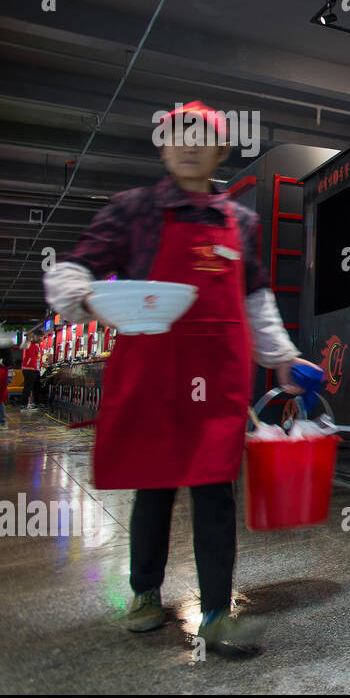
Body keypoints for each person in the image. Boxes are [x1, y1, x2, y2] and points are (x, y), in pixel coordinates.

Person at [43, 101, 322, 655]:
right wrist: (83, 299)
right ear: (164, 145)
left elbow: (256, 299)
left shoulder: (240, 221)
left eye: (203, 136)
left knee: (215, 491)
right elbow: (76, 267)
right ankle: (145, 593)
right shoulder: (135, 210)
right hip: (155, 376)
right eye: (178, 135)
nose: (190, 144)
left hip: (216, 381)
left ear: (221, 150)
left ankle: (217, 610)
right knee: (155, 487)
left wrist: (283, 358)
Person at [20, 330, 42, 409]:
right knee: (28, 387)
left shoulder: (36, 346)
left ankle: (37, 403)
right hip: (28, 369)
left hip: (34, 369)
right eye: (39, 336)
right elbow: (22, 346)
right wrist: (28, 338)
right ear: (34, 337)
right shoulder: (29, 344)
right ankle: (24, 404)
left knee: (37, 386)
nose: (41, 338)